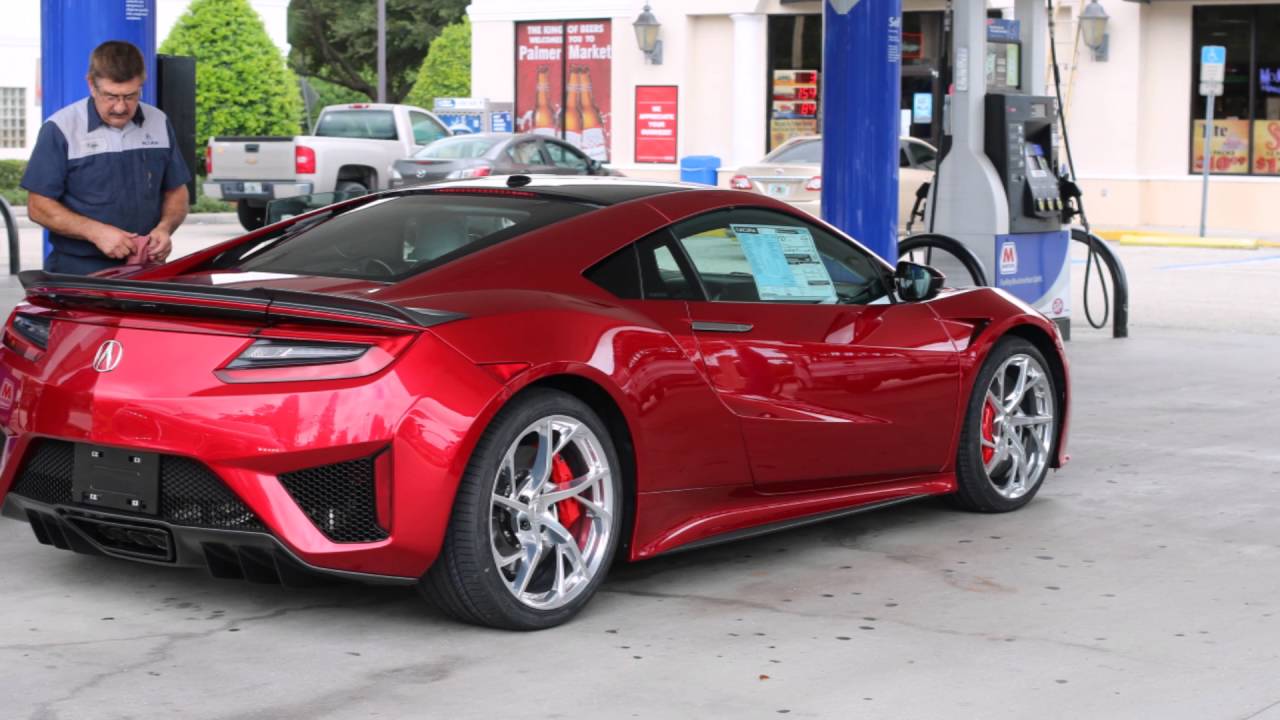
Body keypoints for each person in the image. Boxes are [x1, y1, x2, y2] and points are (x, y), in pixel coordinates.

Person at [21, 40, 191, 275]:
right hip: (78, 270)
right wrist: (95, 232)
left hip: (145, 267)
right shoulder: (61, 128)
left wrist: (165, 228)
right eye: (111, 96)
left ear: (141, 85)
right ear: (91, 85)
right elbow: (38, 206)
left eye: (130, 96)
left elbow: (177, 191)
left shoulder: (159, 122)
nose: (120, 108)